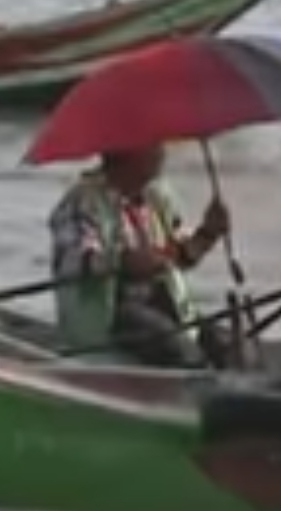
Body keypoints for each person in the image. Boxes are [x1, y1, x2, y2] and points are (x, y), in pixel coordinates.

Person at [49, 145, 228, 365]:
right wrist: (124, 261)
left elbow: (178, 255)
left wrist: (207, 234)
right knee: (176, 347)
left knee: (227, 346)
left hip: (164, 302)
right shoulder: (82, 201)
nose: (162, 150)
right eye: (153, 144)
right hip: (112, 314)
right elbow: (75, 261)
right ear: (129, 150)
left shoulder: (157, 197)